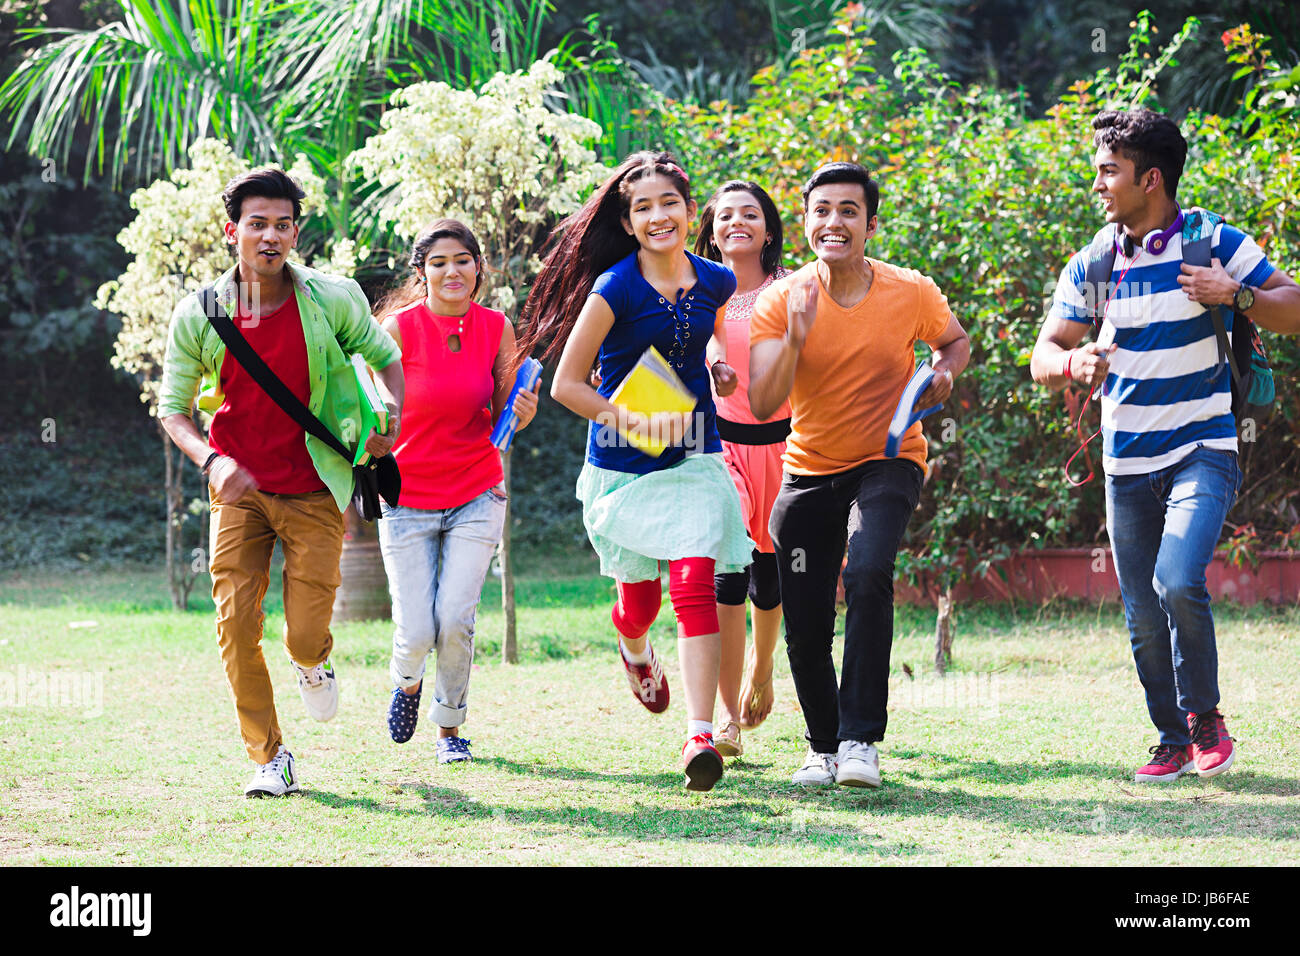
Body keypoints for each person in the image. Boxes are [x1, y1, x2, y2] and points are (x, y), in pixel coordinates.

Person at [1031, 109, 1300, 784]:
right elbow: (1044, 351)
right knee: (1143, 614)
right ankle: (1171, 737)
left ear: (1151, 179)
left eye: (1107, 171)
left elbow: (1292, 307)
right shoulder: (1096, 260)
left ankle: (1205, 717)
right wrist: (1074, 364)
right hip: (1126, 464)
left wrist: (1234, 294)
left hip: (1203, 447)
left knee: (1177, 578)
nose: (1097, 184)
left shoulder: (1211, 244)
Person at [158, 168, 405, 797]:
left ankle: (313, 660)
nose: (270, 236)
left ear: (296, 232)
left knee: (301, 631)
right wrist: (210, 461)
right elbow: (172, 410)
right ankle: (269, 757)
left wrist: (388, 421)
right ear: (231, 231)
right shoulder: (201, 315)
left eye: (282, 225)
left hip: (315, 486)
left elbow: (386, 359)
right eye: (257, 224)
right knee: (236, 623)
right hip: (237, 487)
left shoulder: (331, 298)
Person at [519, 150, 755, 792]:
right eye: (642, 208)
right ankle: (631, 643)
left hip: (696, 454)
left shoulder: (717, 281)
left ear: (688, 208)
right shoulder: (614, 287)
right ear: (626, 222)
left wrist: (717, 365)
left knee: (695, 576)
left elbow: (704, 334)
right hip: (624, 467)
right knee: (639, 603)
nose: (658, 217)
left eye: (668, 204)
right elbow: (568, 384)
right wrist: (635, 421)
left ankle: (698, 732)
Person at [749, 162, 970, 789]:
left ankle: (860, 741)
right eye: (822, 210)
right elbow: (764, 405)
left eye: (848, 211)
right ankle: (823, 747)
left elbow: (955, 342)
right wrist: (794, 336)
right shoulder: (779, 300)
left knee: (869, 568)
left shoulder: (910, 291)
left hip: (889, 458)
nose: (834, 222)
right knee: (805, 609)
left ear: (870, 224)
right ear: (807, 224)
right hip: (809, 470)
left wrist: (943, 372)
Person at [373, 219, 538, 763]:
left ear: (478, 268)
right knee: (417, 626)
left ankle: (450, 729)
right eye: (438, 262)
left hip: (476, 491)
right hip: (405, 496)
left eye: (462, 260)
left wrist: (522, 410)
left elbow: (501, 415)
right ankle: (407, 683)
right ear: (421, 273)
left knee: (456, 620)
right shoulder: (396, 330)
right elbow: (372, 403)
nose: (452, 271)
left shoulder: (496, 327)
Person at [693, 181, 791, 757]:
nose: (737, 222)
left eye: (750, 214)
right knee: (727, 572)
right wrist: (712, 368)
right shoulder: (701, 289)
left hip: (787, 445)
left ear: (768, 229)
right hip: (721, 447)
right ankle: (726, 717)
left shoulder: (795, 288)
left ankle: (762, 669)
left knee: (770, 575)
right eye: (726, 215)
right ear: (711, 229)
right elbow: (700, 348)